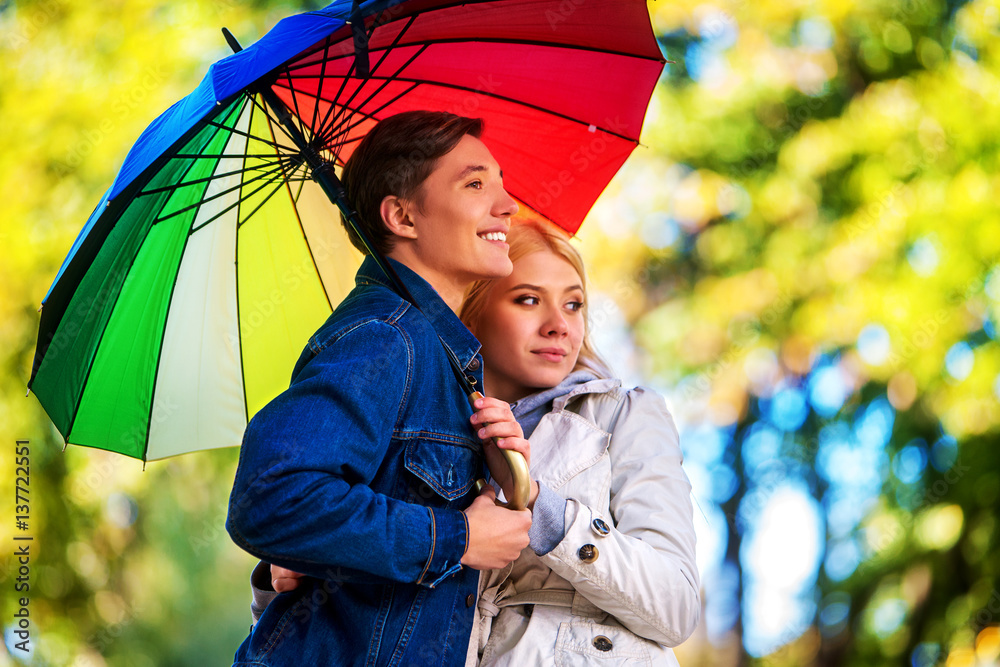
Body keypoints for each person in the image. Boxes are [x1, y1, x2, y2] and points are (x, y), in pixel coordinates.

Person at [262, 219, 702, 665]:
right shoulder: (413, 434)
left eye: (574, 304)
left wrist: (535, 503)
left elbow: (676, 607)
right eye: (529, 300)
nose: (559, 325)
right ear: (471, 312)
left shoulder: (622, 416)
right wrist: (309, 569)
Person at [226, 110, 535, 667]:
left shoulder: (439, 351)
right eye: (475, 183)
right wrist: (457, 537)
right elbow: (269, 498)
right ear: (401, 215)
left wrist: (506, 474)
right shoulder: (387, 336)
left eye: (501, 182)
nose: (507, 205)